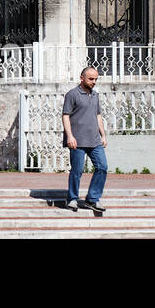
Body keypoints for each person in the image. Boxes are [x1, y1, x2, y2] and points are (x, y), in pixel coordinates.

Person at [62, 67, 108, 212]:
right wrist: (70, 136)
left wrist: (103, 135)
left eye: (96, 79)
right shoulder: (72, 94)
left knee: (102, 167)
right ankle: (72, 199)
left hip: (94, 140)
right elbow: (65, 115)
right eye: (91, 79)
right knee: (77, 170)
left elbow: (98, 115)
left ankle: (92, 199)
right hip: (77, 140)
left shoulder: (95, 95)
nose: (94, 82)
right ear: (82, 78)